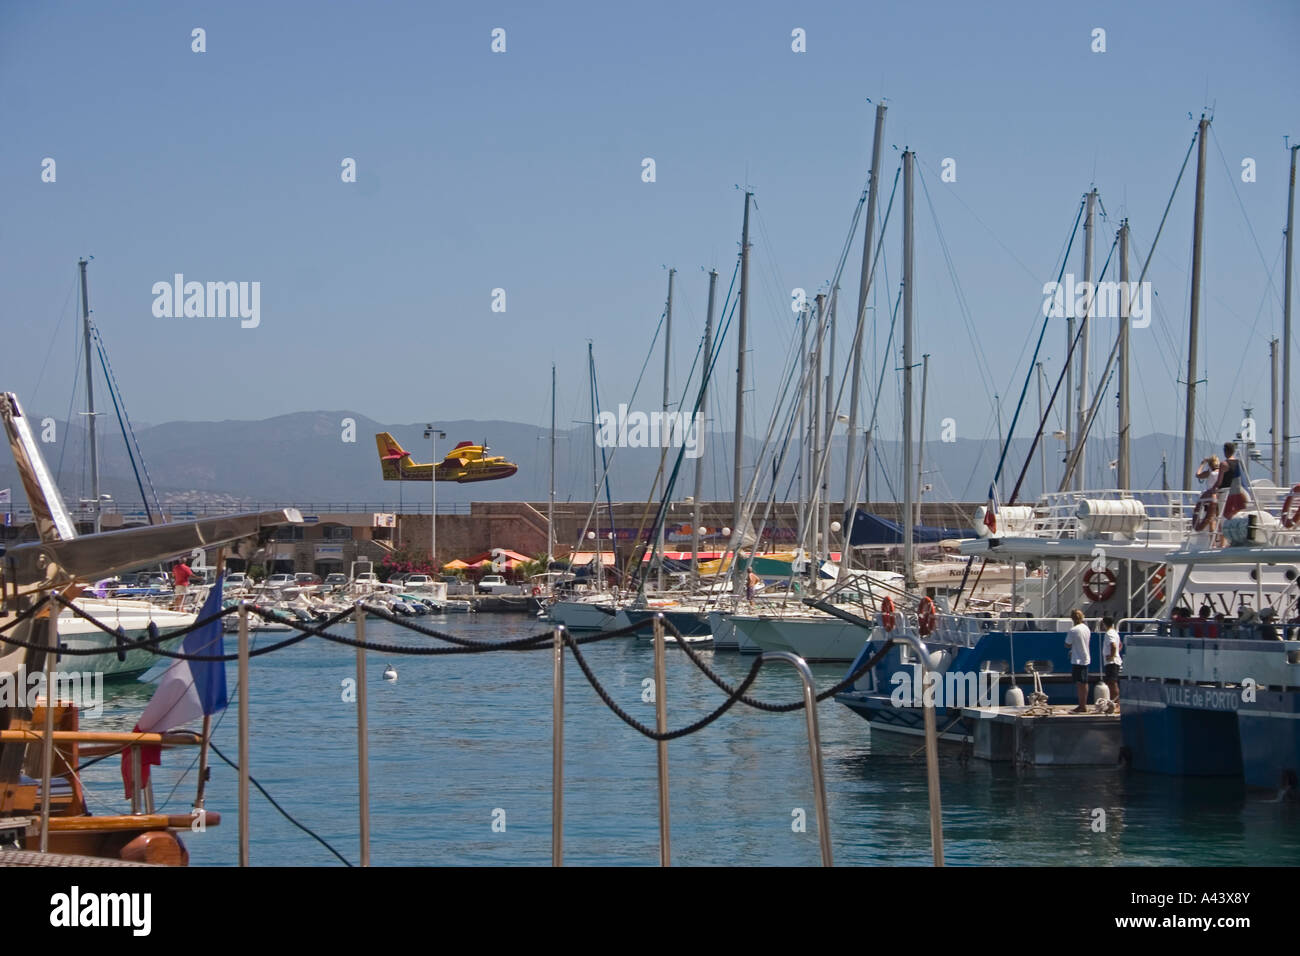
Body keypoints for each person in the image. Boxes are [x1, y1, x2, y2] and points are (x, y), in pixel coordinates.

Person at [1065, 609, 1091, 713]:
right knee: (1084, 683)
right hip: (1085, 657)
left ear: (1072, 618)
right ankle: (1083, 704)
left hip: (1077, 659)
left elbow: (1067, 644)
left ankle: (1082, 706)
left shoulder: (1073, 630)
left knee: (1080, 684)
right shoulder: (1086, 628)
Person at [1218, 442, 1248, 520]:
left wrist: (1213, 490)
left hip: (1229, 494)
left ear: (1225, 451)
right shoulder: (1239, 463)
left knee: (1223, 513)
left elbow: (1219, 482)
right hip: (1243, 493)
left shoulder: (1224, 464)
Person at [1100, 615, 1121, 702]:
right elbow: (1120, 645)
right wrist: (1116, 653)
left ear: (1104, 624)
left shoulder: (1109, 633)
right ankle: (1115, 702)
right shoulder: (1114, 632)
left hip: (1112, 662)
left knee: (1112, 683)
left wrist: (1112, 655)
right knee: (1110, 682)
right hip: (1113, 661)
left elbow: (1114, 645)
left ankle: (1117, 703)